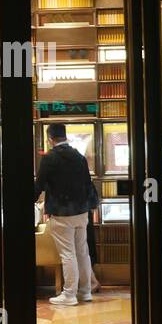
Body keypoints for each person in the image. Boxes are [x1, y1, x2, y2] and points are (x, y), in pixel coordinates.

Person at [34, 123, 99, 306]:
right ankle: (85, 292)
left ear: (50, 139)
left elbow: (38, 186)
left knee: (68, 254)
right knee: (82, 252)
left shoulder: (49, 159)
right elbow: (87, 183)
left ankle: (69, 294)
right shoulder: (79, 156)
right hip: (81, 212)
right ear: (65, 136)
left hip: (62, 213)